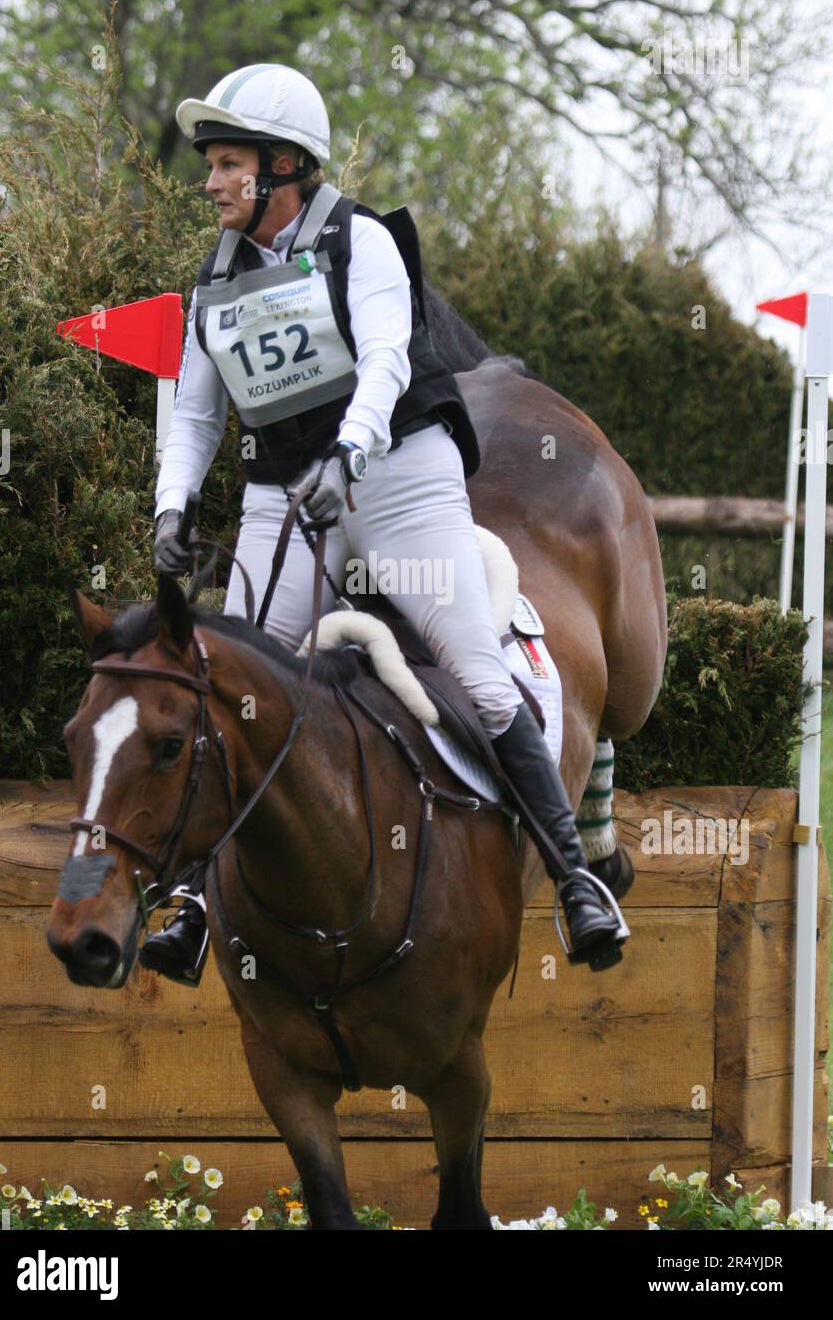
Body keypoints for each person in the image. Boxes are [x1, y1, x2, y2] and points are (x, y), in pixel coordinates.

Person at [141, 62, 625, 985]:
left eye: (226, 163)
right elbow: (198, 416)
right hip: (287, 498)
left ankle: (574, 882)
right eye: (212, 165)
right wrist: (171, 509)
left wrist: (350, 457)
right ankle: (194, 902)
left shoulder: (362, 244)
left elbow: (387, 362)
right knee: (225, 682)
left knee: (481, 676)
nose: (209, 182)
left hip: (397, 478)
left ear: (284, 165)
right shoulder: (215, 281)